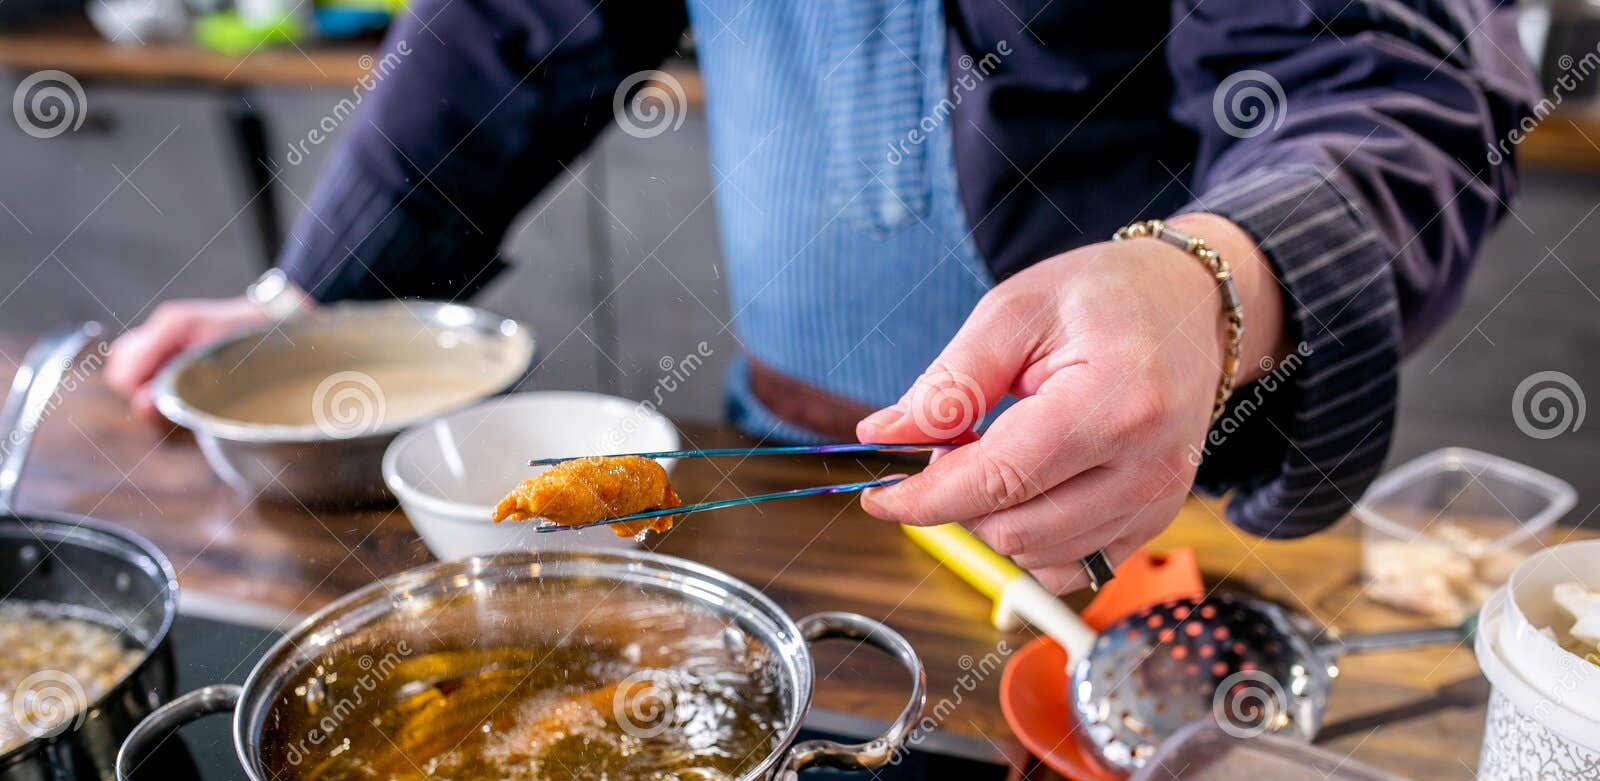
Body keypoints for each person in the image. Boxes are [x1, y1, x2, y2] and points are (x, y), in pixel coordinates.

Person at [105, 1, 1534, 593]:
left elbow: (1391, 93)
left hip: (1141, 499)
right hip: (783, 480)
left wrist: (1215, 280)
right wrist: (312, 297)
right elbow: (510, 25)